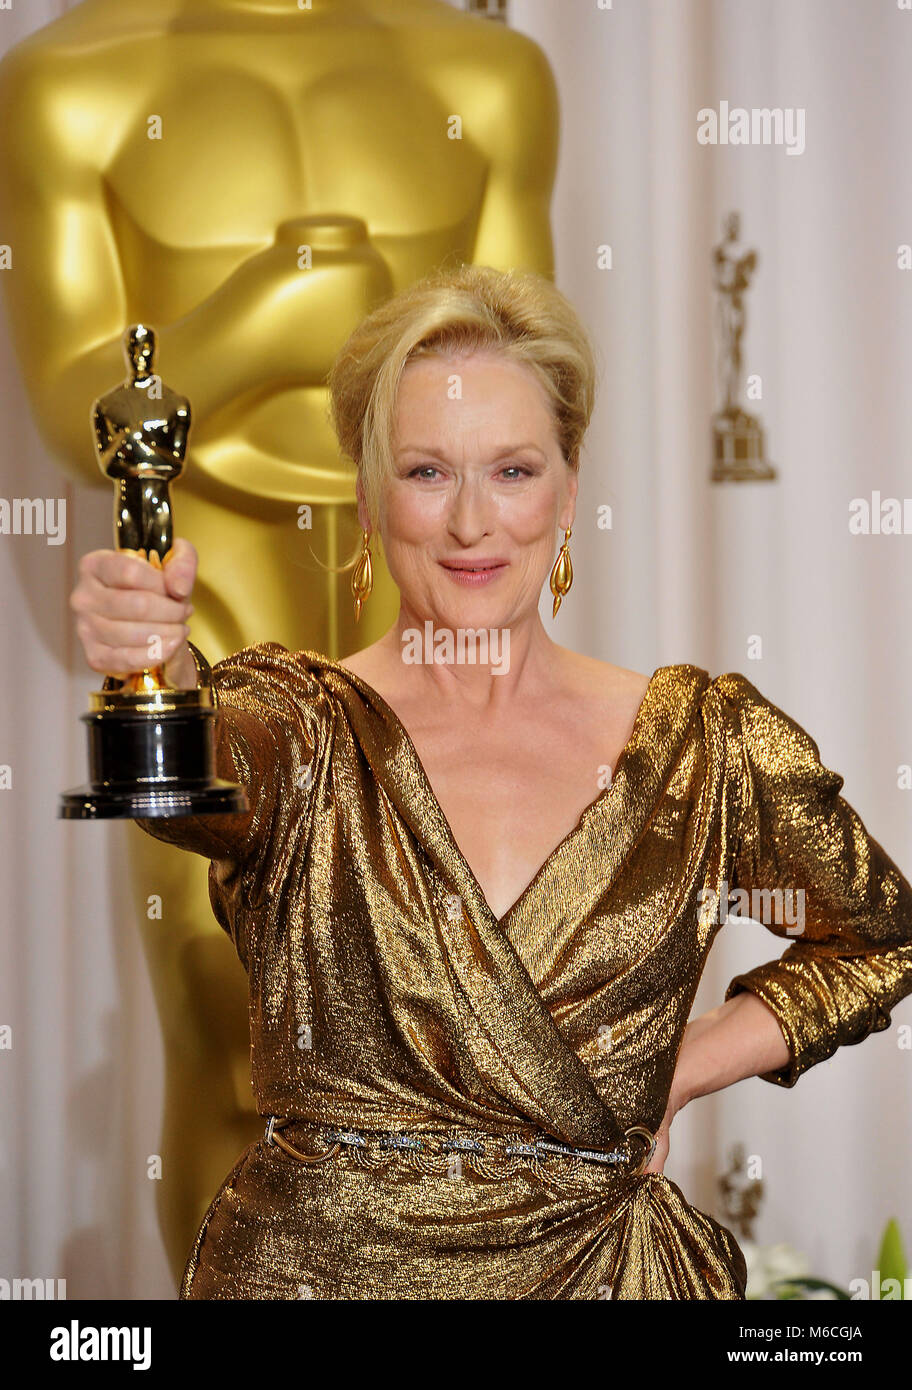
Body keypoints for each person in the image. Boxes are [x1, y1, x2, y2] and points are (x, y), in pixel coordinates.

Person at [69, 265, 912, 1299]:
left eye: (511, 470)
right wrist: (154, 664)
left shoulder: (704, 743)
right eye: (427, 472)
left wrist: (677, 1068)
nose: (472, 523)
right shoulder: (298, 726)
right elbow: (195, 770)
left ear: (568, 490)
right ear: (369, 499)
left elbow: (883, 935)